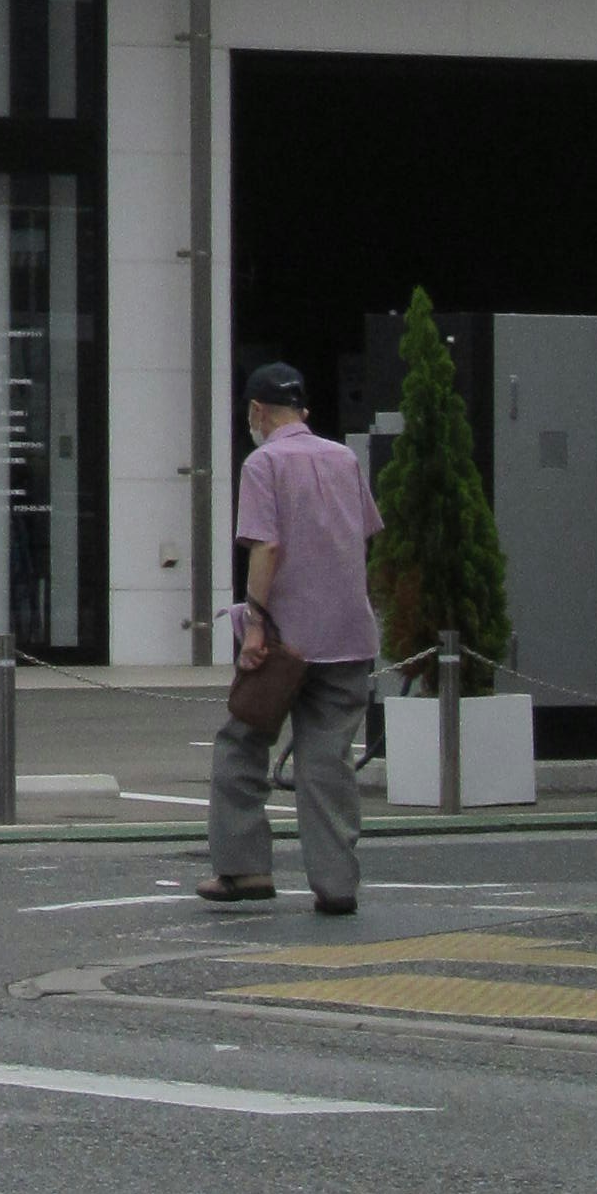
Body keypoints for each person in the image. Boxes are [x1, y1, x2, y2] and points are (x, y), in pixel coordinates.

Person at [200, 358, 383, 916]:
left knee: (242, 742)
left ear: (257, 411)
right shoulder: (345, 459)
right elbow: (366, 534)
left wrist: (255, 622)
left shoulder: (264, 463)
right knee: (328, 761)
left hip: (285, 642)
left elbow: (266, 546)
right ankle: (336, 885)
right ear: (302, 410)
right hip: (349, 634)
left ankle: (244, 868)